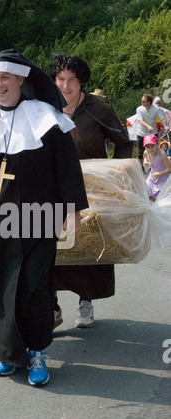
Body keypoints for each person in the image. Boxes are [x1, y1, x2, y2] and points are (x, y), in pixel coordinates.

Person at [0, 49, 88, 386]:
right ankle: (9, 355)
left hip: (39, 216)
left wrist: (72, 210)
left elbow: (67, 167)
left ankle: (37, 352)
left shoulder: (44, 116)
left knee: (33, 285)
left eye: (5, 78)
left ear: (20, 80)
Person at [49, 53, 133, 329]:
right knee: (52, 247)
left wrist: (113, 174)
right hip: (54, 189)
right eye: (60, 79)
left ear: (82, 82)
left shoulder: (99, 108)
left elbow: (123, 142)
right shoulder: (44, 106)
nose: (65, 86)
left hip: (92, 190)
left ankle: (86, 301)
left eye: (72, 80)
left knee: (88, 244)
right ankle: (51, 305)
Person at [136, 94, 170, 168]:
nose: (141, 102)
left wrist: (165, 126)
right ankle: (141, 167)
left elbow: (162, 118)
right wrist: (148, 126)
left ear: (149, 102)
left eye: (143, 101)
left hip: (153, 133)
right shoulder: (139, 109)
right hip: (141, 133)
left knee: (154, 150)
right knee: (141, 151)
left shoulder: (156, 109)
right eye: (142, 101)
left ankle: (152, 166)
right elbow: (140, 120)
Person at [143, 134, 171, 202]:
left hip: (163, 176)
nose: (150, 149)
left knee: (161, 195)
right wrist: (145, 161)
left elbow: (169, 169)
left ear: (157, 145)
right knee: (146, 191)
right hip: (153, 175)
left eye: (152, 146)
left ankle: (159, 205)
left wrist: (159, 174)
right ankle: (156, 204)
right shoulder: (146, 152)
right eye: (148, 147)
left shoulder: (162, 154)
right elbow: (144, 157)